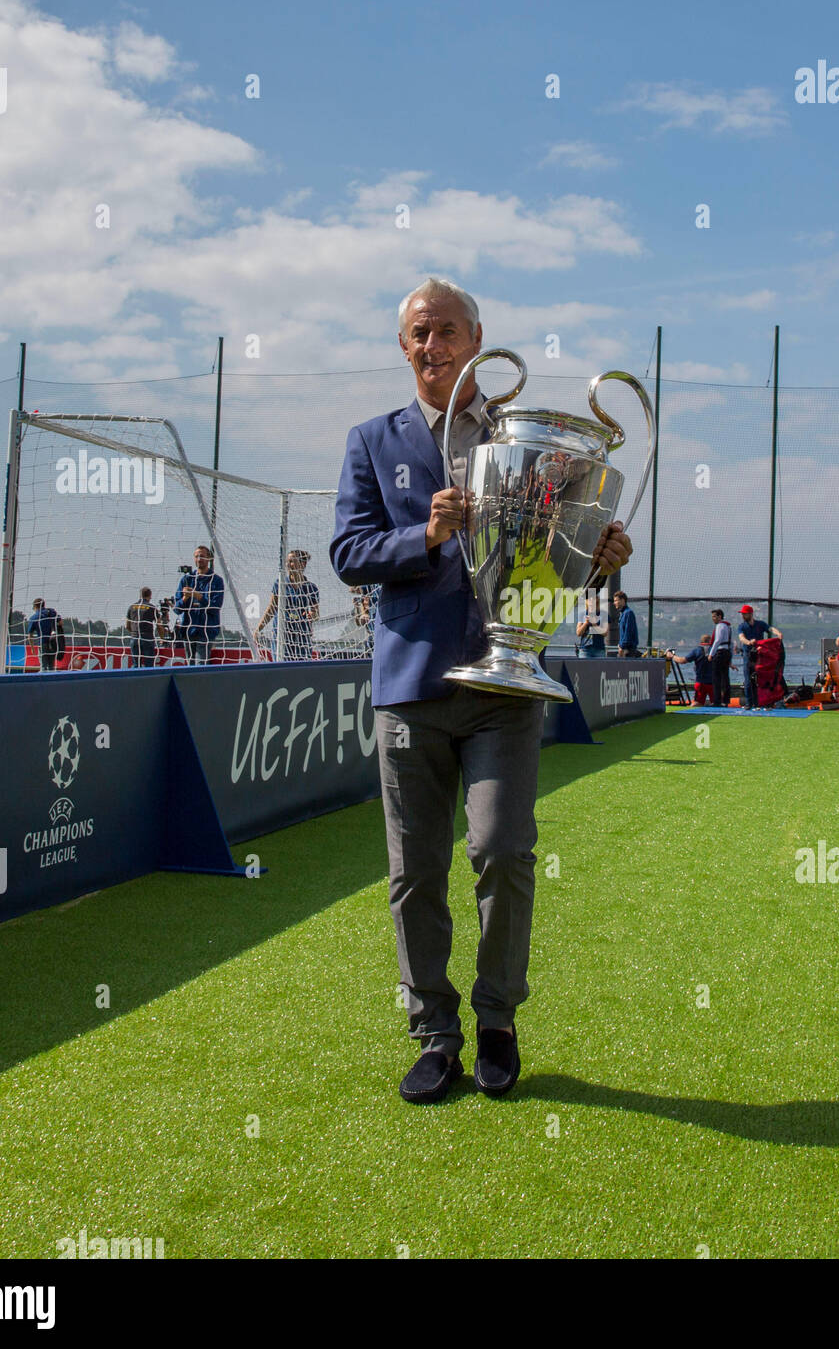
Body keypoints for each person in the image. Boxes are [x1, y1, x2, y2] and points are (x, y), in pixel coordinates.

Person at [331, 276, 632, 1105]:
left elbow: (564, 539)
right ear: (405, 348)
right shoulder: (372, 440)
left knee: (502, 850)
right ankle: (434, 1035)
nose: (434, 347)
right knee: (415, 874)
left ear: (477, 341)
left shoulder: (523, 436)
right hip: (413, 686)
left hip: (506, 687)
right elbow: (349, 553)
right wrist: (422, 534)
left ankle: (497, 1019)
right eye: (420, 334)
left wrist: (598, 549)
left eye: (449, 332)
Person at [256, 550, 321, 660]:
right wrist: (258, 629)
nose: (288, 564)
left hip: (302, 637)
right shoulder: (280, 584)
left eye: (292, 561)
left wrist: (312, 615)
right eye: (287, 561)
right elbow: (272, 608)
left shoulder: (311, 588)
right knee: (280, 668)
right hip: (282, 635)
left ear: (302, 564)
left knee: (300, 671)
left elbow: (316, 614)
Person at [175, 545, 225, 665]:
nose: (199, 559)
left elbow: (215, 607)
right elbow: (177, 608)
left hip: (206, 631)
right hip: (188, 630)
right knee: (189, 668)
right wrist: (185, 598)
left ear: (209, 559)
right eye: (197, 556)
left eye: (202, 556)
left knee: (200, 666)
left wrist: (199, 597)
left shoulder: (216, 580)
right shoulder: (186, 579)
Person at [736, 604, 780, 709]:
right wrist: (749, 642)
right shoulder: (742, 626)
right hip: (748, 655)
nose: (743, 616)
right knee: (748, 680)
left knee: (761, 679)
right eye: (742, 614)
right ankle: (749, 703)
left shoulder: (760, 624)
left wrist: (778, 633)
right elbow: (741, 638)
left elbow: (770, 629)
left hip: (760, 656)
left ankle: (762, 701)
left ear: (750, 614)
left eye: (745, 614)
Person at [671, 632, 715, 706]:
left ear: (701, 642)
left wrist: (672, 656)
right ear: (710, 641)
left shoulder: (697, 650)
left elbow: (682, 661)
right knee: (716, 702)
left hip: (700, 682)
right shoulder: (714, 650)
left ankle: (688, 713)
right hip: (713, 682)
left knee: (698, 702)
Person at [125, 587, 159, 668]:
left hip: (135, 638)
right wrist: (162, 636)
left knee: (136, 665)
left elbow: (127, 626)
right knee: (149, 665)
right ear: (150, 595)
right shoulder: (152, 607)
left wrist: (134, 633)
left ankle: (135, 680)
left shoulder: (131, 607)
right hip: (147, 638)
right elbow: (159, 625)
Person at [27, 597, 61, 673]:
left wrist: (32, 648)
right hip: (53, 642)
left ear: (35, 607)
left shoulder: (34, 617)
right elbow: (60, 622)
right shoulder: (51, 612)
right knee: (51, 667)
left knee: (43, 667)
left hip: (43, 643)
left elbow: (30, 636)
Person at [709, 607, 733, 706]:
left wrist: (711, 654)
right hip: (726, 652)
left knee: (716, 677)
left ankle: (717, 700)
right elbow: (731, 643)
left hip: (719, 652)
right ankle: (726, 700)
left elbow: (717, 640)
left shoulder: (720, 626)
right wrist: (730, 656)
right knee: (725, 676)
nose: (713, 619)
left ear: (719, 616)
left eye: (714, 616)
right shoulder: (728, 627)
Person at [575, 589, 608, 657]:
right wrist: (586, 623)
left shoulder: (604, 614)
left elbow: (605, 633)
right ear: (586, 601)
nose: (591, 600)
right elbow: (578, 633)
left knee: (600, 667)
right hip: (585, 650)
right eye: (589, 598)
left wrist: (594, 624)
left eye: (593, 598)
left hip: (599, 649)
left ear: (597, 600)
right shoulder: (582, 614)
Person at [613, 590, 640, 657]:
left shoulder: (628, 613)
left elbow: (628, 632)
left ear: (622, 600)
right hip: (625, 649)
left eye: (616, 600)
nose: (614, 603)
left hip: (628, 650)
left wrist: (622, 647)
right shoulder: (623, 614)